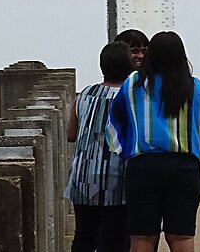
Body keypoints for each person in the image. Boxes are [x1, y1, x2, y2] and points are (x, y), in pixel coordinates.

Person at [108, 31, 200, 252]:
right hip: (184, 166)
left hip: (143, 166)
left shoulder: (133, 84)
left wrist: (126, 152)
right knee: (182, 236)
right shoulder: (195, 87)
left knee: (143, 237)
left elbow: (114, 122)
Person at [66, 42, 133, 252]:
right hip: (117, 177)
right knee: (114, 238)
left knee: (84, 236)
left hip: (83, 176)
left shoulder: (84, 94)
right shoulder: (130, 96)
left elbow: (71, 135)